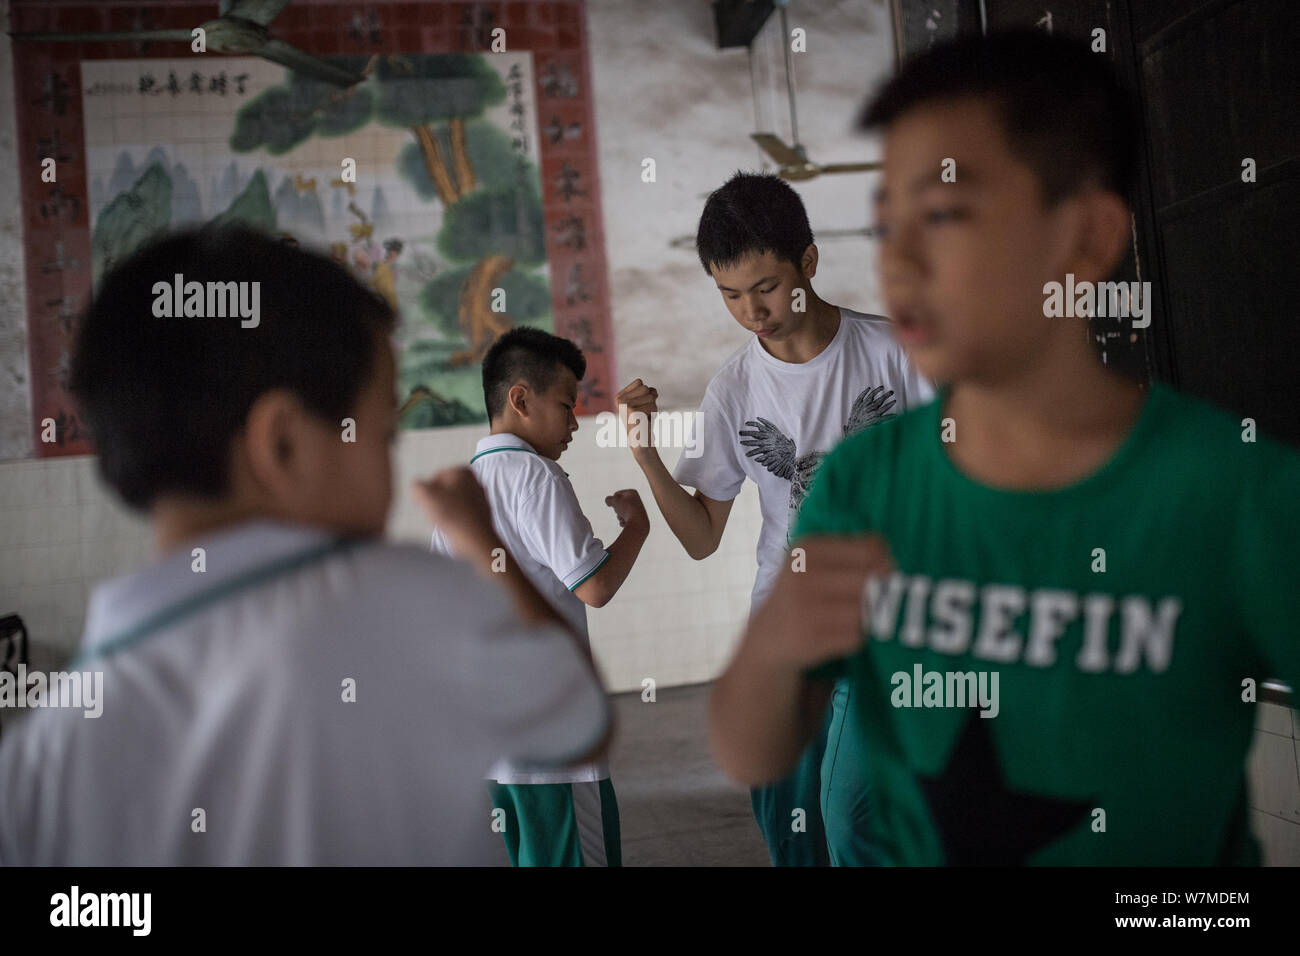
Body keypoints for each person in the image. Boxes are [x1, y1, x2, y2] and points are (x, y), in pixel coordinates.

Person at [710, 29, 1300, 865]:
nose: (902, 262)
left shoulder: (1234, 494)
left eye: (946, 216)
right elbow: (752, 749)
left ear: (1086, 239)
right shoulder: (862, 480)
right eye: (888, 225)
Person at [0, 226, 610, 865]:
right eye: (382, 434)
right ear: (283, 444)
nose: (388, 466)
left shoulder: (39, 765)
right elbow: (579, 718)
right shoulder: (405, 599)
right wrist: (477, 538)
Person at [617, 172, 932, 865]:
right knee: (790, 825)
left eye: (765, 287)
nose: (751, 310)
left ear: (807, 262)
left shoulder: (894, 353)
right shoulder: (734, 388)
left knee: (851, 817)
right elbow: (701, 538)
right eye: (730, 294)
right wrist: (646, 456)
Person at [431, 327, 649, 867]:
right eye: (566, 406)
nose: (574, 423)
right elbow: (595, 586)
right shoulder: (536, 476)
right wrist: (636, 527)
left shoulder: (465, 487)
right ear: (521, 399)